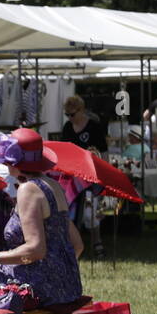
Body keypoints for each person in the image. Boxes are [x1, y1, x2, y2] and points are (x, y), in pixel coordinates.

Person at [0, 129, 84, 310]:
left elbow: (35, 249)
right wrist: (58, 270)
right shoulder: (53, 186)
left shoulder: (28, 189)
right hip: (68, 287)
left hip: (39, 289)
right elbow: (78, 244)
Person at [60, 96, 106, 255]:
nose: (70, 118)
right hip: (72, 176)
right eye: (67, 115)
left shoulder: (93, 127)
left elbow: (103, 152)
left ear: (81, 110)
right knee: (69, 210)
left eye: (72, 114)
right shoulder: (67, 127)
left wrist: (101, 173)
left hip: (91, 175)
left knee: (90, 211)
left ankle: (96, 241)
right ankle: (73, 245)